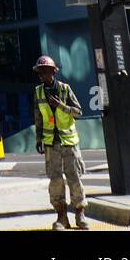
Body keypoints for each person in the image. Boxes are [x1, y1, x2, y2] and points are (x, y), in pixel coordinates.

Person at [33, 55, 88, 231]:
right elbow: (38, 117)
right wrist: (39, 138)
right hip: (51, 143)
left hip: (69, 142)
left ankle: (80, 213)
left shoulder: (65, 89)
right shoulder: (38, 92)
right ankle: (61, 216)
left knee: (74, 177)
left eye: (46, 71)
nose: (43, 75)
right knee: (55, 180)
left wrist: (61, 106)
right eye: (40, 72)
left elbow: (78, 111)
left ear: (53, 72)